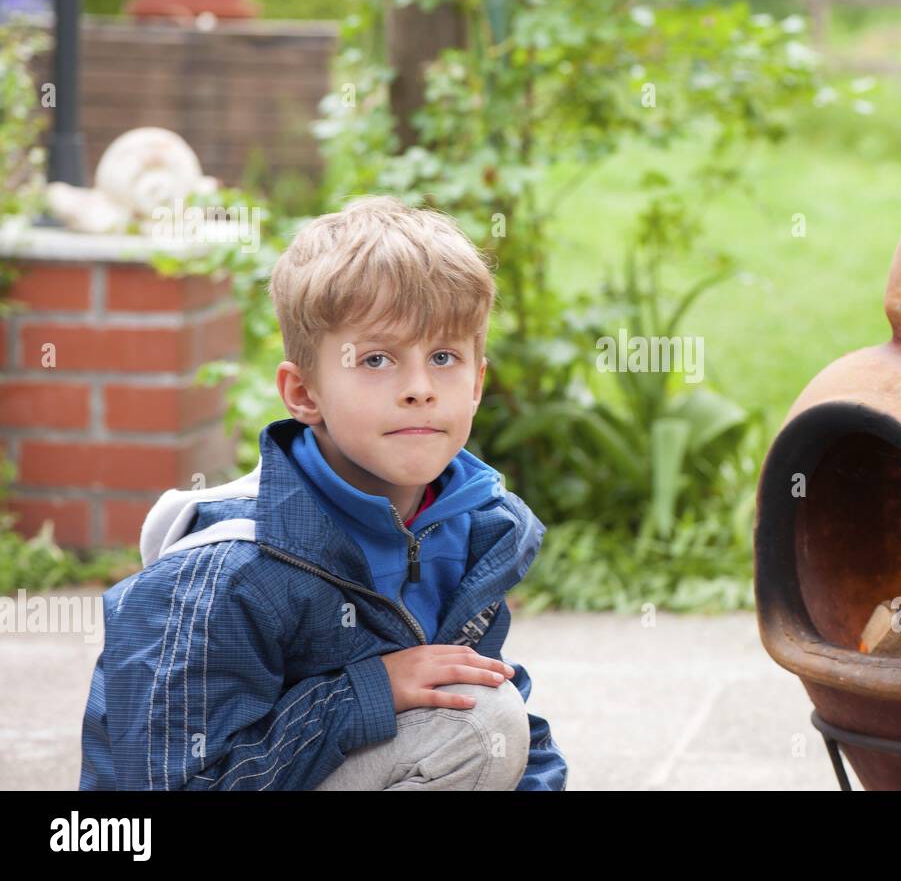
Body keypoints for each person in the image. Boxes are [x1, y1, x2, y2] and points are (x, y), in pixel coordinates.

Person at [78, 195, 567, 790]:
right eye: (377, 359)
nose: (419, 388)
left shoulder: (474, 530)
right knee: (473, 721)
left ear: (477, 383)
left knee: (489, 715)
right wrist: (368, 693)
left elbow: (505, 709)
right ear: (304, 392)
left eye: (443, 357)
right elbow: (165, 786)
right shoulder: (229, 570)